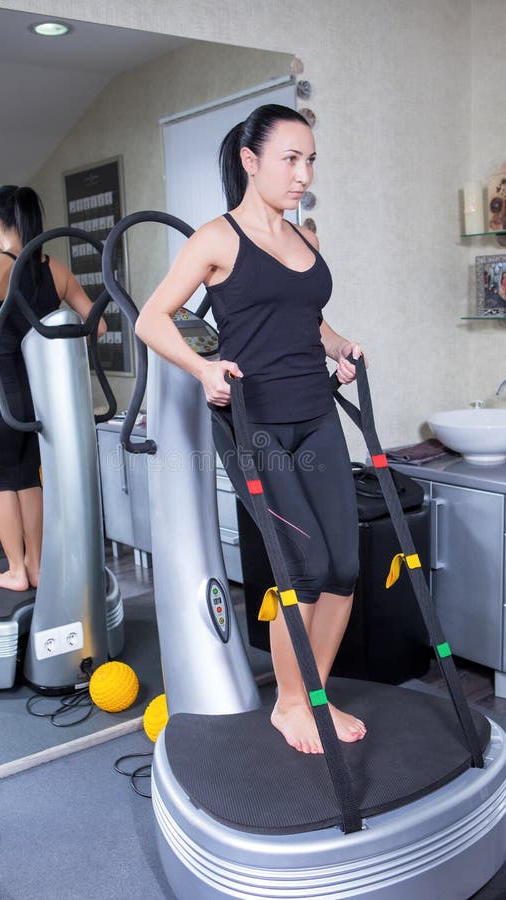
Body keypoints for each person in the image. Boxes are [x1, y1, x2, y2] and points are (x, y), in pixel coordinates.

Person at [135, 104, 366, 755]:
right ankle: (290, 704)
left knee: (345, 566)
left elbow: (308, 317)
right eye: (291, 159)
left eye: (310, 159)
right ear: (250, 160)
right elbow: (152, 319)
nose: (303, 173)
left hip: (315, 416)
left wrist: (340, 348)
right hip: (253, 424)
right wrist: (202, 366)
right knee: (307, 565)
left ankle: (314, 695)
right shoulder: (217, 239)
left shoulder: (306, 240)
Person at [0, 185, 105, 592]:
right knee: (29, 478)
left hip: (3, 394)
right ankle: (37, 567)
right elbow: (99, 325)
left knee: (3, 479)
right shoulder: (55, 270)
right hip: (43, 397)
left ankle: (16, 570)